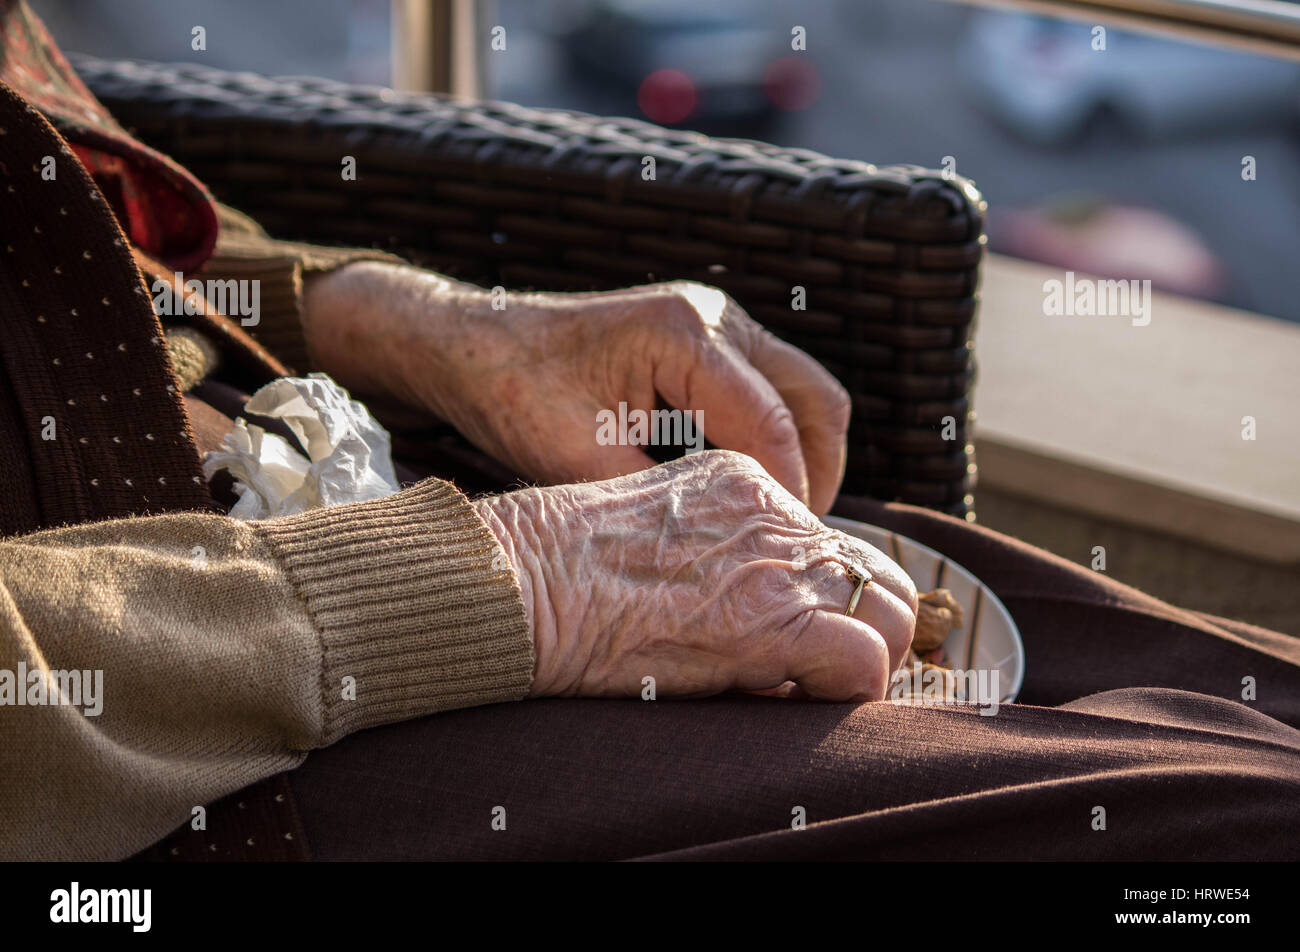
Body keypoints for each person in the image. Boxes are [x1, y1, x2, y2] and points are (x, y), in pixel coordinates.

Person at [1, 0, 1296, 862]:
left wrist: (422, 323)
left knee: (1246, 712)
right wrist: (529, 581)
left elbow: (62, 204)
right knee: (1240, 821)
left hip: (328, 500)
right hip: (189, 760)